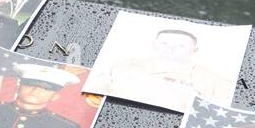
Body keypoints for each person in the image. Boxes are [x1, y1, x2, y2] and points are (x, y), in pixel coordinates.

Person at [95, 27, 235, 108]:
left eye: (181, 45)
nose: (171, 48)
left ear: (195, 50)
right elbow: (97, 89)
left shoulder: (212, 80)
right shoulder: (124, 65)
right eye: (165, 43)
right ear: (155, 45)